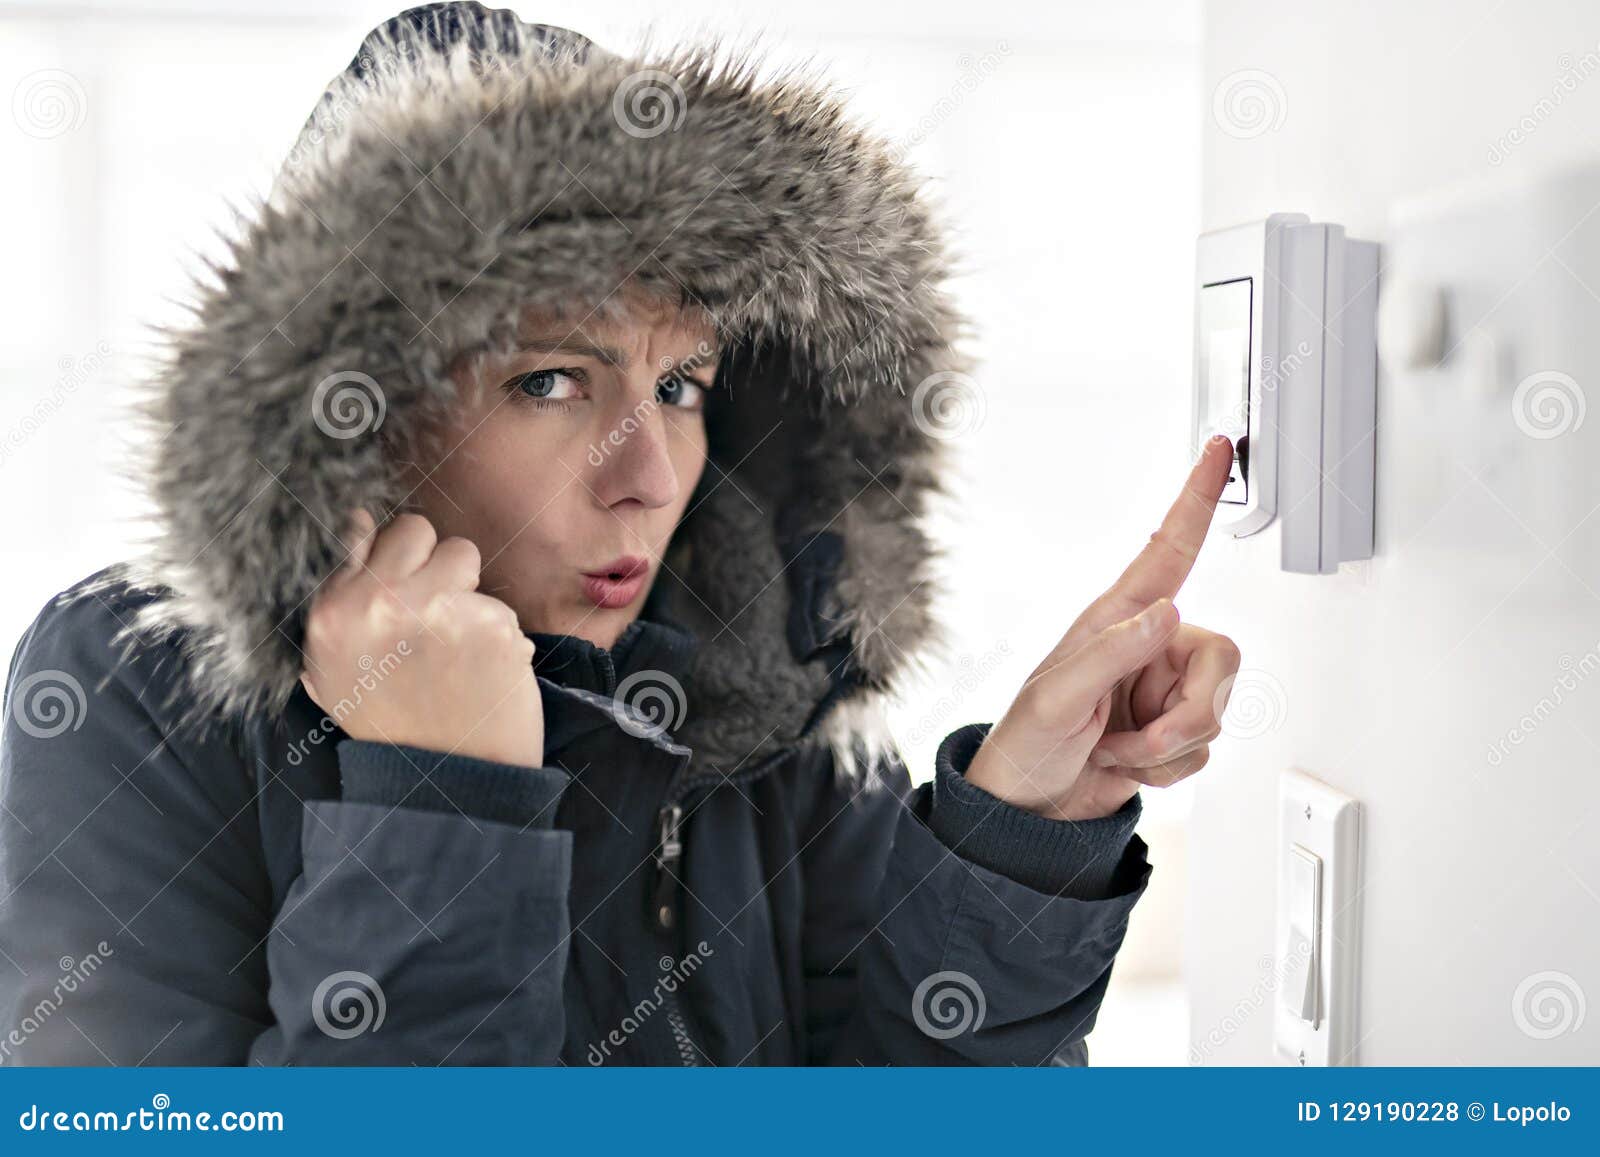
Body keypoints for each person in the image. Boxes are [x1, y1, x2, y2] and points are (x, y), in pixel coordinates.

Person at [0, 2, 1240, 1066]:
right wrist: (443, 808)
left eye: (682, 384)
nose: (648, 474)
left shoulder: (762, 697)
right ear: (358, 405)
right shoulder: (140, 686)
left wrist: (1018, 830)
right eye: (550, 381)